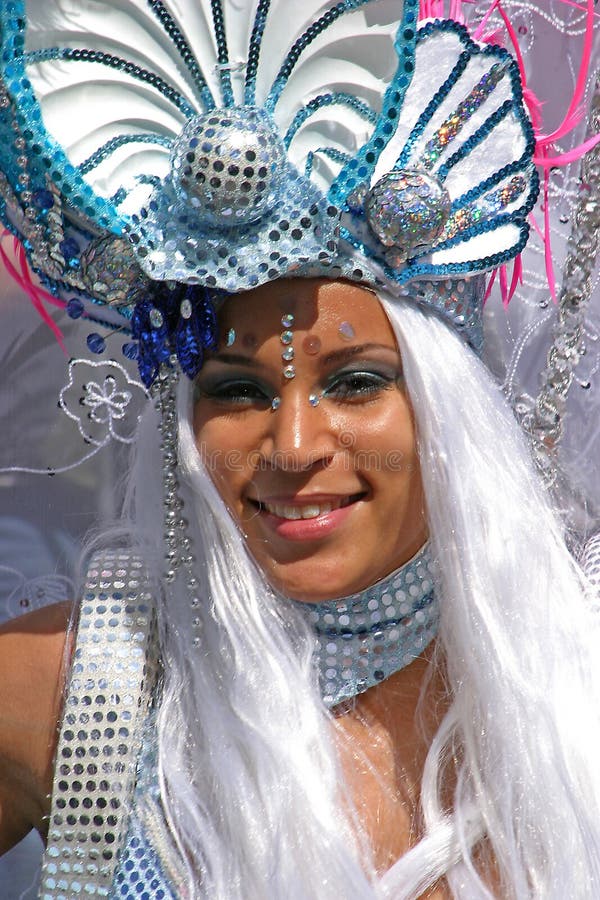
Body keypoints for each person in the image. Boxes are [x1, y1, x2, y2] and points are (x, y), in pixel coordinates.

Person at [0, 1, 599, 898]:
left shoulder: (575, 667)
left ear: (449, 410)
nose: (292, 445)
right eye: (236, 391)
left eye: (356, 382)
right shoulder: (71, 692)